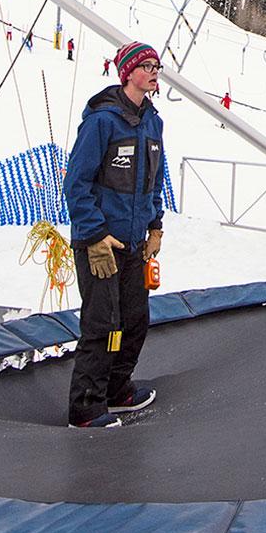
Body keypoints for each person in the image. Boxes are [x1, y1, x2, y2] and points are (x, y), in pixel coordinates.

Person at [64, 41, 171, 429]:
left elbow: (153, 180)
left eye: (157, 65)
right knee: (102, 324)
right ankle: (86, 406)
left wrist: (155, 224)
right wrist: (93, 236)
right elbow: (76, 183)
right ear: (128, 72)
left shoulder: (152, 122)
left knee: (134, 319)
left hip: (133, 242)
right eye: (146, 65)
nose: (154, 71)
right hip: (101, 243)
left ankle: (116, 387)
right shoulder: (102, 121)